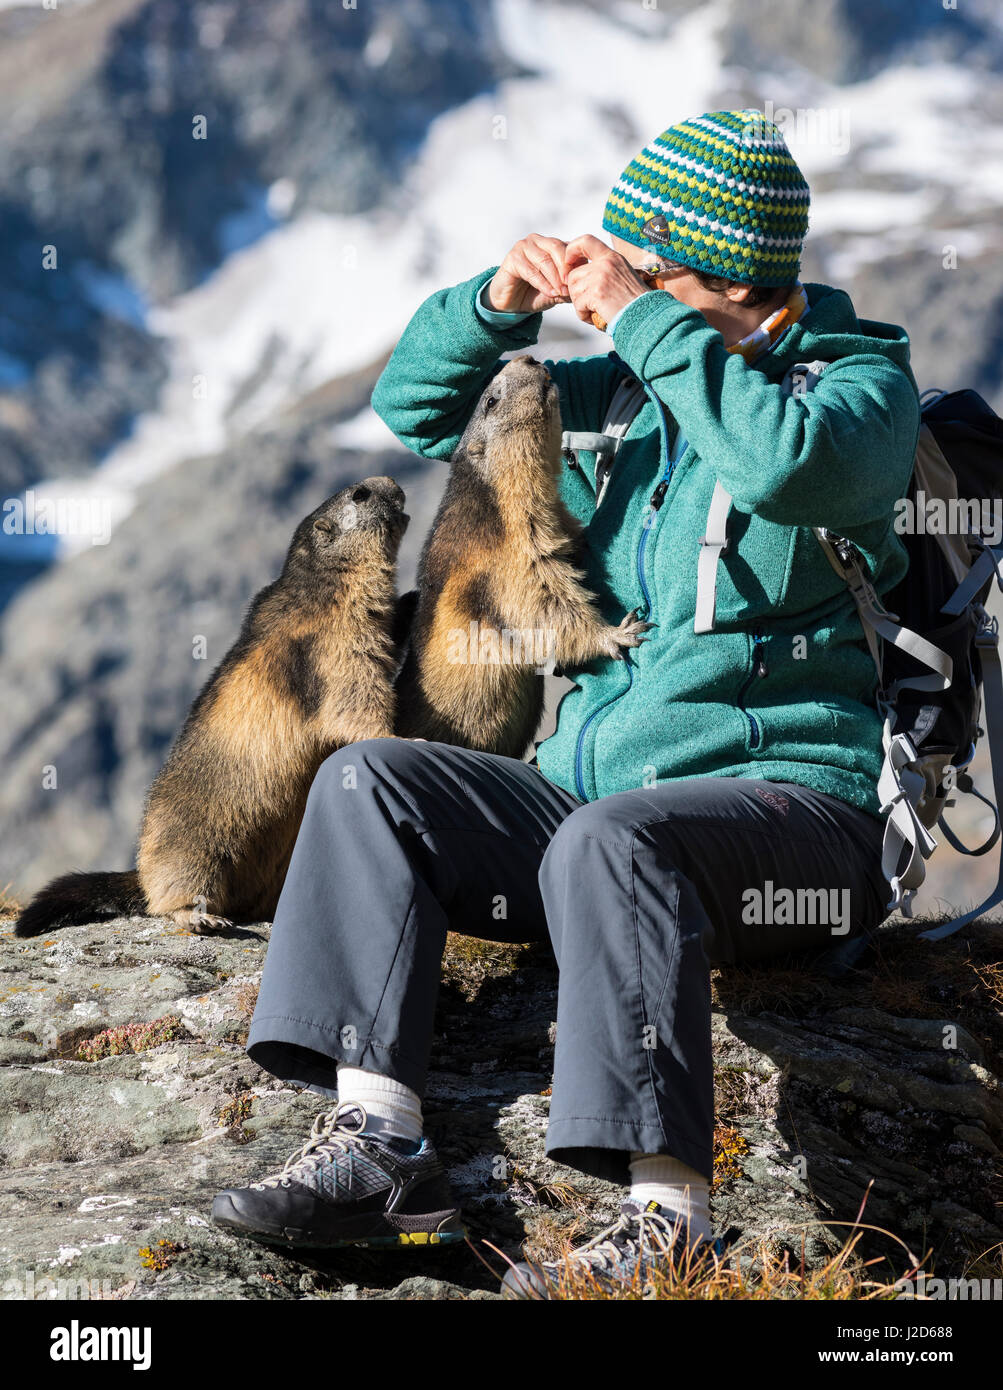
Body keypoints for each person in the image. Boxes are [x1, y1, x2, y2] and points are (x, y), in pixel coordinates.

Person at [211, 110, 920, 1298]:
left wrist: (639, 322)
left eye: (637, 267)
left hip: (798, 818)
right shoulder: (620, 400)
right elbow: (424, 410)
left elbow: (786, 468)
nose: (608, 285)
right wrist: (495, 301)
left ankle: (667, 1221)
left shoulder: (856, 391)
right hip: (591, 823)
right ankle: (381, 1146)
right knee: (368, 779)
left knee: (617, 838)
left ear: (720, 280)